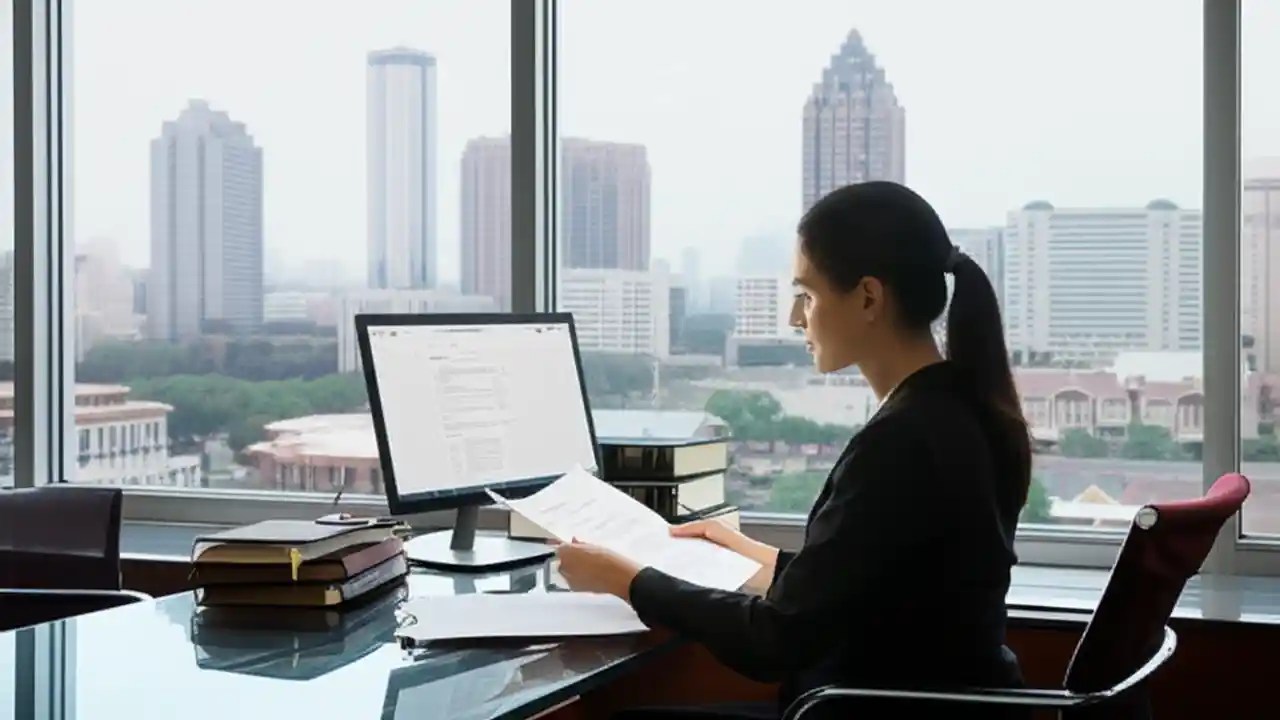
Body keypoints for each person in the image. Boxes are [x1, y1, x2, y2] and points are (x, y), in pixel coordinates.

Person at [555, 181, 1032, 720]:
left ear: (869, 298)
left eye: (807, 295)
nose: (794, 319)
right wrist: (753, 556)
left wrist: (626, 579)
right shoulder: (965, 410)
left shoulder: (902, 441)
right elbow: (877, 583)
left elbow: (775, 643)